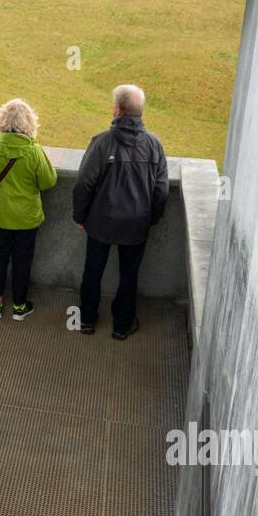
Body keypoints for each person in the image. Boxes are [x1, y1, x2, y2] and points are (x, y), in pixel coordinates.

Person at [72, 84, 169, 340]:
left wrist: (80, 216)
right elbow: (161, 191)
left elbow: (83, 183)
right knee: (129, 275)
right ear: (140, 112)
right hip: (136, 224)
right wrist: (152, 219)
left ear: (116, 110)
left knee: (93, 271)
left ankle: (87, 320)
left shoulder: (101, 142)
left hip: (101, 221)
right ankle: (122, 325)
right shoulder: (155, 146)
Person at [0, 99, 57, 320]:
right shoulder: (34, 151)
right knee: (23, 258)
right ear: (29, 122)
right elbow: (49, 181)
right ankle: (20, 307)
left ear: (2, 120)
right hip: (26, 217)